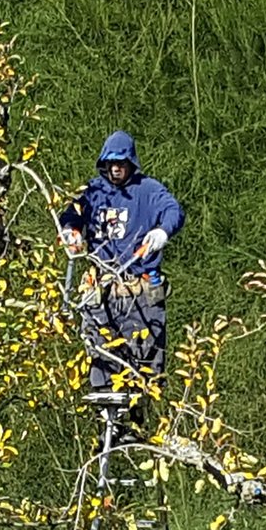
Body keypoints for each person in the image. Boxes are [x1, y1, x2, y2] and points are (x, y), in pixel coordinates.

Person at [58, 131, 184, 396]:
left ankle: (137, 427)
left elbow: (173, 210)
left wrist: (162, 231)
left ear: (130, 163)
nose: (116, 168)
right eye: (111, 163)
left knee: (143, 372)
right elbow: (71, 215)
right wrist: (72, 230)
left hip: (139, 296)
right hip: (101, 294)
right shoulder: (93, 192)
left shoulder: (148, 190)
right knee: (103, 367)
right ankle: (110, 430)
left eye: (121, 163)